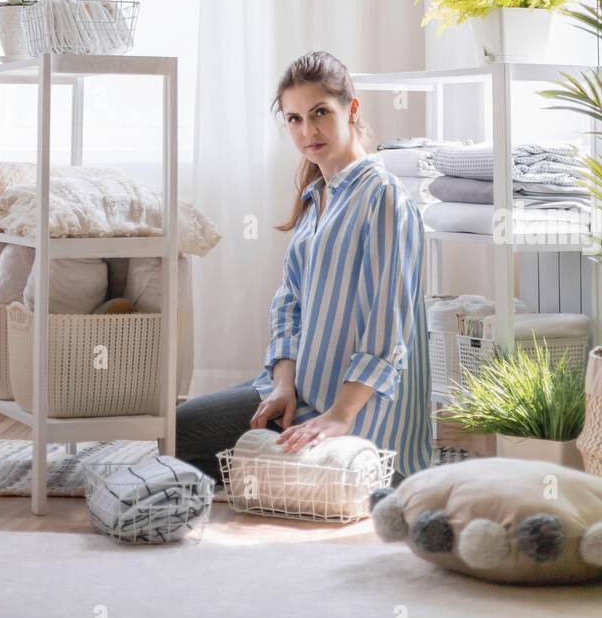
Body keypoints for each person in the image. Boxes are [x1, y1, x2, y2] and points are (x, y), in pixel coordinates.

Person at [175, 50, 432, 488]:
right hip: (302, 392)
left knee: (185, 439)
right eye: (294, 119)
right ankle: (281, 473)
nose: (308, 131)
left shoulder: (384, 198)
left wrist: (339, 416)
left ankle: (323, 474)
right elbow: (288, 304)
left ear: (351, 110)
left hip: (359, 413)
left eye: (320, 113)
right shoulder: (316, 200)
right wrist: (282, 385)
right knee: (177, 431)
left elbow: (387, 329)